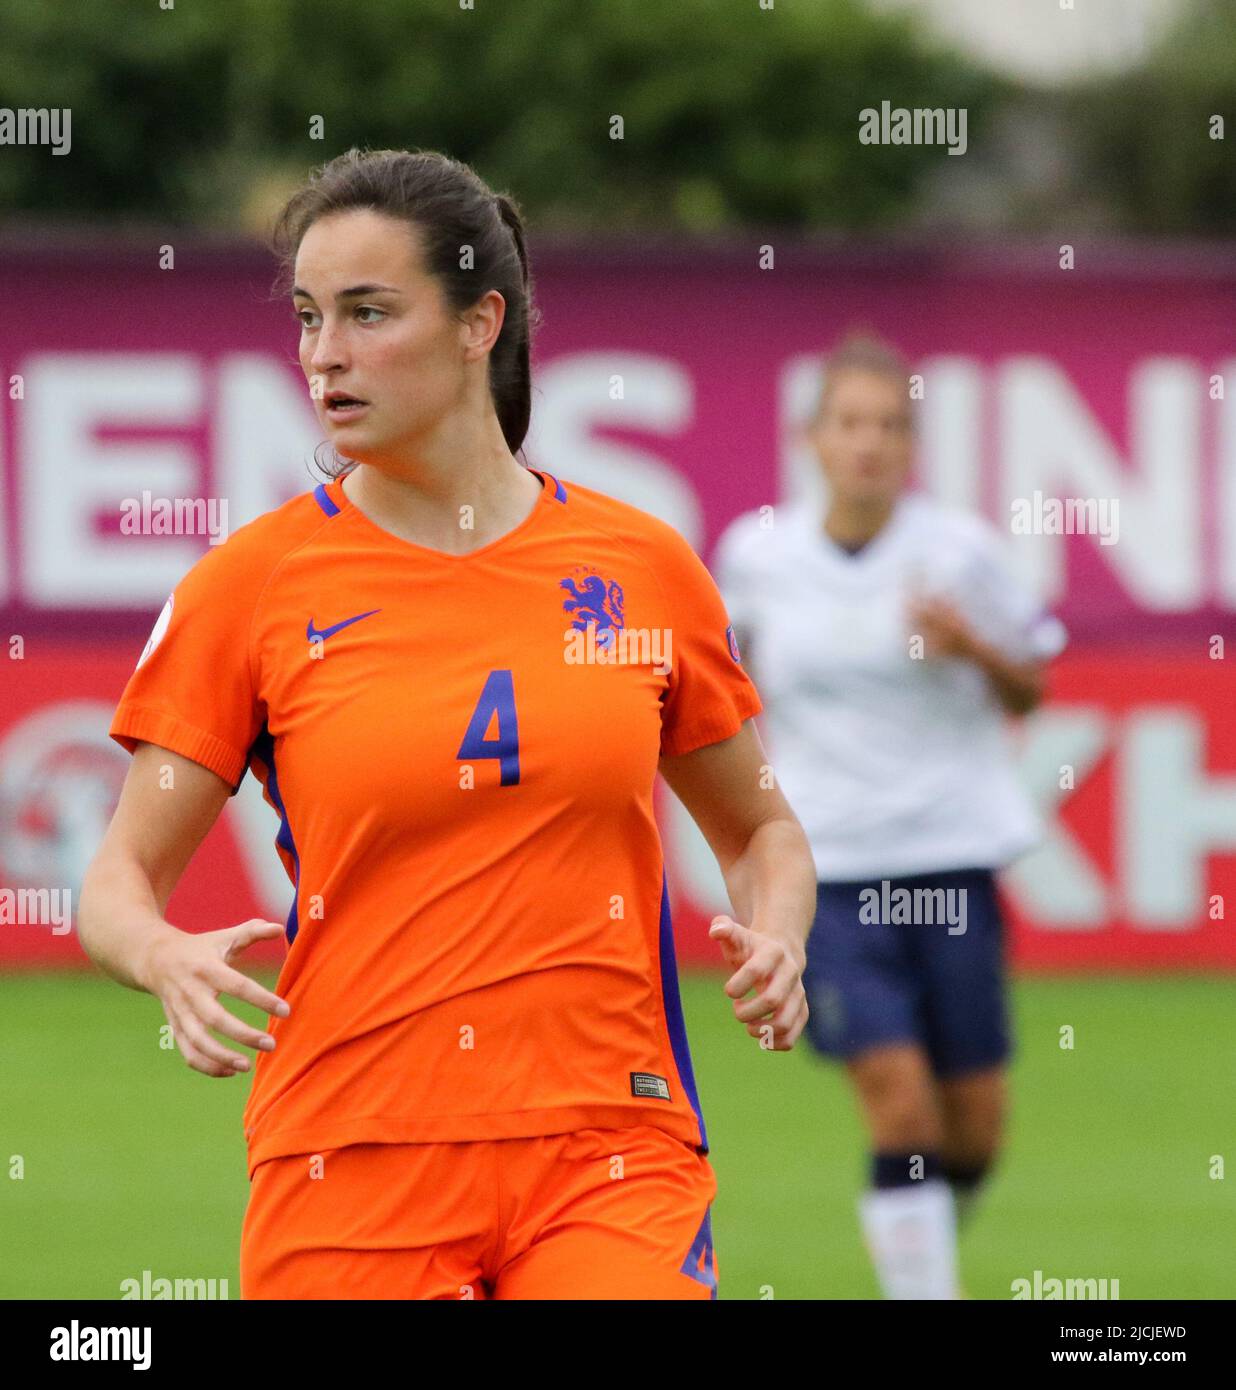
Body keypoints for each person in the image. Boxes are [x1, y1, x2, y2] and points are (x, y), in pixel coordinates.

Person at [78, 147, 816, 1301]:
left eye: (370, 314)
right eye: (311, 318)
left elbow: (763, 831)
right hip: (349, 1154)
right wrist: (159, 951)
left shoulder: (643, 566)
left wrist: (779, 933)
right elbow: (117, 878)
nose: (326, 354)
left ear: (482, 323)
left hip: (611, 1151)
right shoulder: (252, 586)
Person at [715, 331, 1067, 1300]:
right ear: (813, 438)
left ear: (912, 446)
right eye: (849, 422)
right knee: (900, 1109)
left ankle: (920, 1253)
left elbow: (1032, 682)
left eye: (889, 426)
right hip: (832, 873)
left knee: (973, 1127)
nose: (868, 443)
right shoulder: (757, 555)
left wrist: (972, 649)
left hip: (952, 861)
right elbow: (717, 695)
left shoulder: (960, 553)